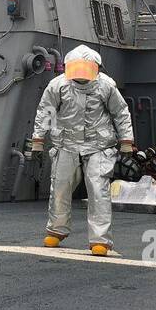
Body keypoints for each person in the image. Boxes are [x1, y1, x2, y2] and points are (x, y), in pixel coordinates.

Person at [31, 45, 134, 256]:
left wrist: (126, 141)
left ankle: (100, 240)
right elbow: (46, 112)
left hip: (98, 146)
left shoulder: (106, 86)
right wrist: (38, 140)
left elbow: (120, 113)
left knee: (98, 191)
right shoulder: (57, 86)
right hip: (66, 144)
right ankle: (56, 230)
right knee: (60, 187)